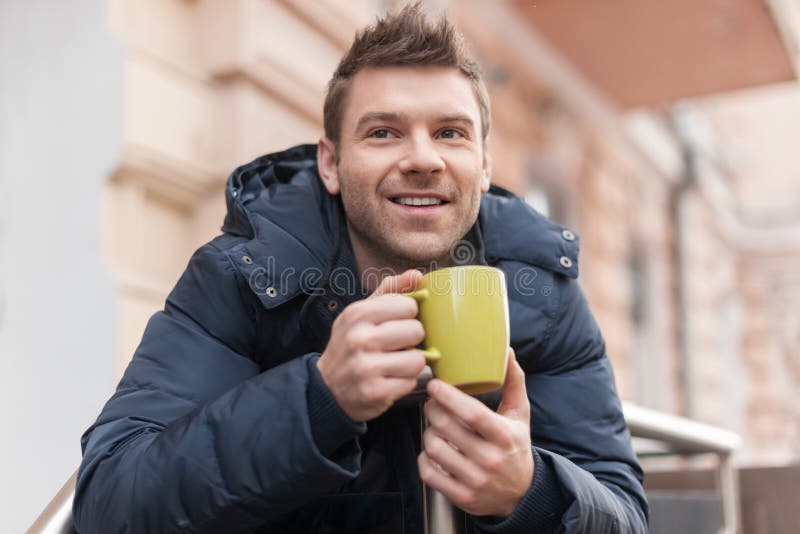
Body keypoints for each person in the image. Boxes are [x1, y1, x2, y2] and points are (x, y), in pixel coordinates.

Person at [73, 4, 648, 533]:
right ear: (330, 163)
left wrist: (532, 492)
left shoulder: (543, 291)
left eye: (450, 133)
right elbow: (111, 501)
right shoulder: (243, 278)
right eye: (383, 132)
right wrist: (319, 399)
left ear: (483, 165)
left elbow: (623, 513)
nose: (422, 158)